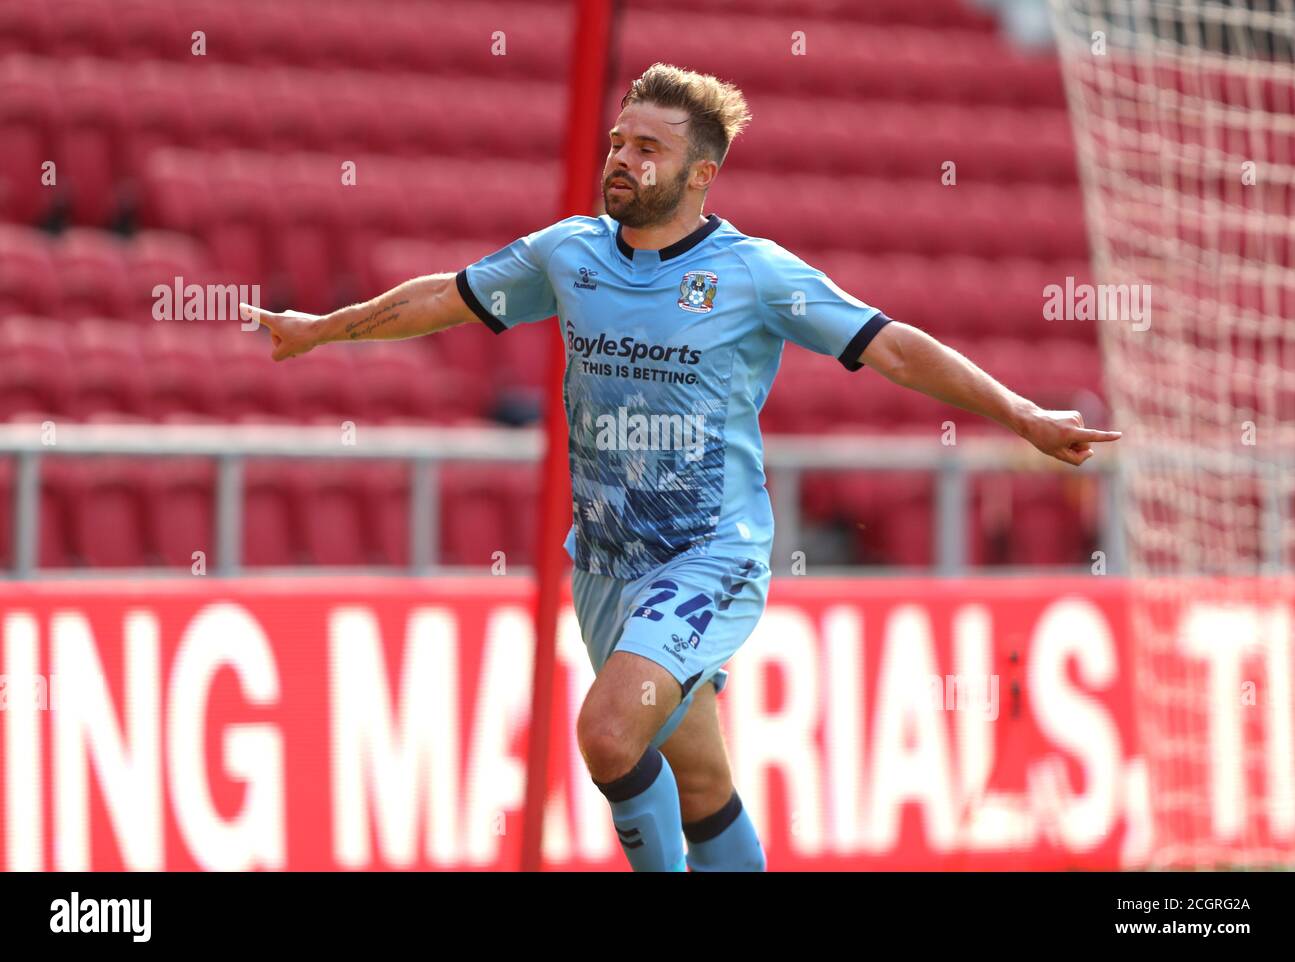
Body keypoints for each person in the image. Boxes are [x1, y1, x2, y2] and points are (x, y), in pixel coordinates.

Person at [242, 62, 1121, 872]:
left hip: (710, 557)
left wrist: (1021, 415)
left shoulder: (754, 275)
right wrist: (324, 329)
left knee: (611, 734)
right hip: (606, 561)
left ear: (701, 174)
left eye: (648, 148)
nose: (621, 159)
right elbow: (445, 296)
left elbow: (890, 347)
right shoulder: (569, 255)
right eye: (619, 141)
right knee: (697, 781)